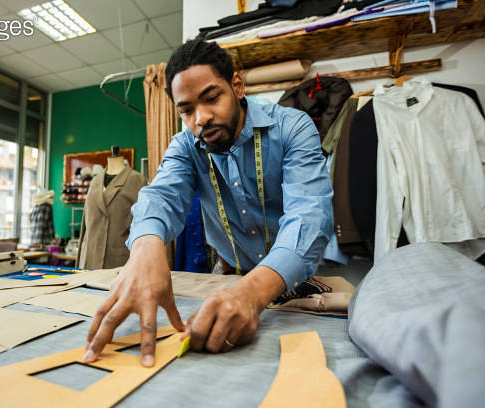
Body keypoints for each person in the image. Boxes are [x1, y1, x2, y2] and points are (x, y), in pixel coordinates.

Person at [83, 39, 333, 367]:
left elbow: (309, 214)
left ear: (238, 86)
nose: (201, 118)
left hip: (296, 280)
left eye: (212, 98)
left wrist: (251, 292)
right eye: (186, 110)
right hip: (228, 275)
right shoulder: (186, 144)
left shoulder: (292, 127)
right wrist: (145, 247)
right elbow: (161, 196)